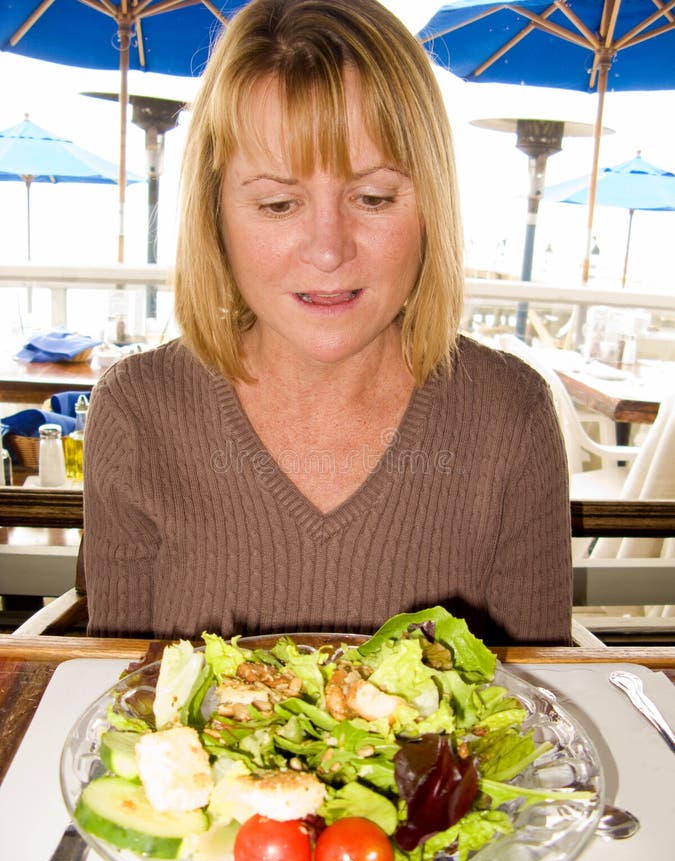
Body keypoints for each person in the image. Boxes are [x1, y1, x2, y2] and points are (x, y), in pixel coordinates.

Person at [84, 0, 572, 645]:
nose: (327, 249)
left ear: (431, 205)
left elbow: (535, 704)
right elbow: (119, 698)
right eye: (278, 203)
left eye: (373, 197)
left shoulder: (511, 412)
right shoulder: (137, 409)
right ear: (215, 214)